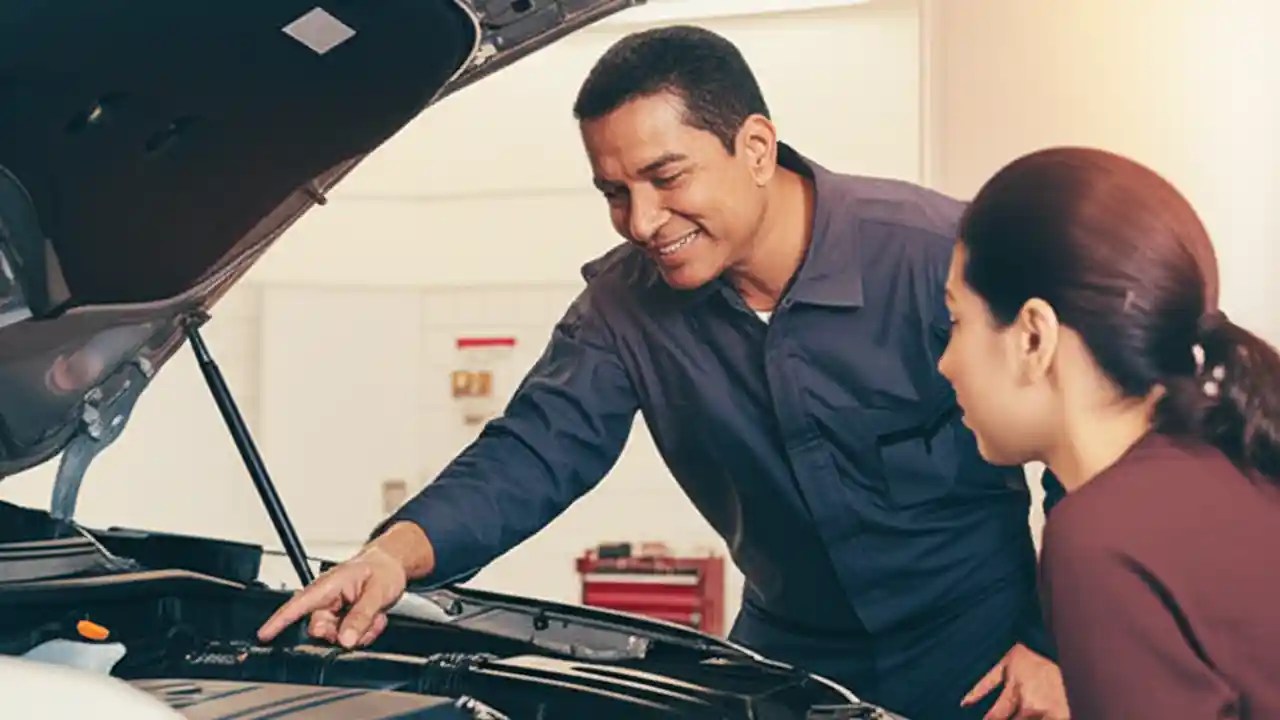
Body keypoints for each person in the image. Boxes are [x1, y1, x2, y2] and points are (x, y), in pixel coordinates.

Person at [259, 26, 1069, 720]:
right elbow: (533, 451)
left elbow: (1083, 448)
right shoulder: (623, 307)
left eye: (666, 178)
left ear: (754, 147)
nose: (642, 222)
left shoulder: (938, 256)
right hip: (790, 661)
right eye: (614, 191)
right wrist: (391, 556)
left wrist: (1055, 642)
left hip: (987, 659)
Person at [937, 146, 1280, 719]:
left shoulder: (1099, 536)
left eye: (956, 320)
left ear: (1032, 337)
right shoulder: (1226, 454)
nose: (946, 361)